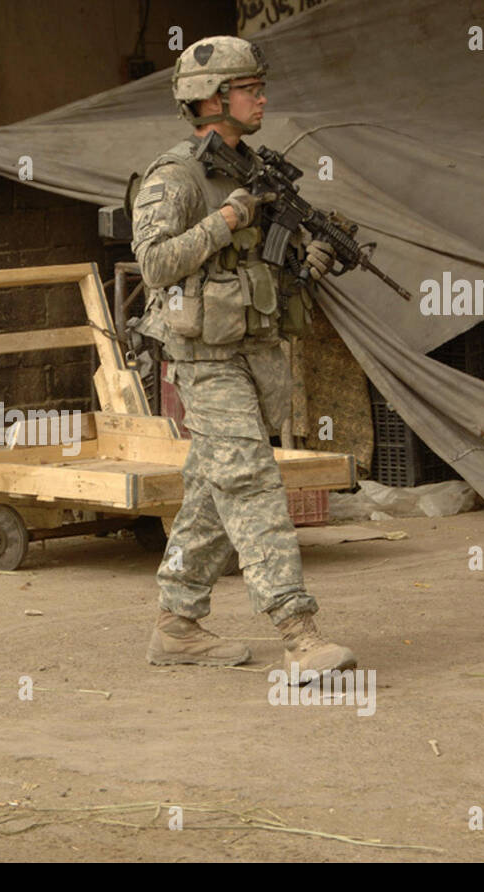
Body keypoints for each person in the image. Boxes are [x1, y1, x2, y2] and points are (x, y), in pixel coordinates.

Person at [132, 36, 356, 681]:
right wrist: (225, 220)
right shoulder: (174, 177)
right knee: (252, 481)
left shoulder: (250, 169)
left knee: (213, 484)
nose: (262, 96)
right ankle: (299, 633)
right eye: (249, 87)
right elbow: (154, 264)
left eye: (259, 85)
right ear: (211, 99)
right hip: (204, 358)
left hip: (253, 350)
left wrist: (303, 262)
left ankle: (177, 625)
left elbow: (254, 266)